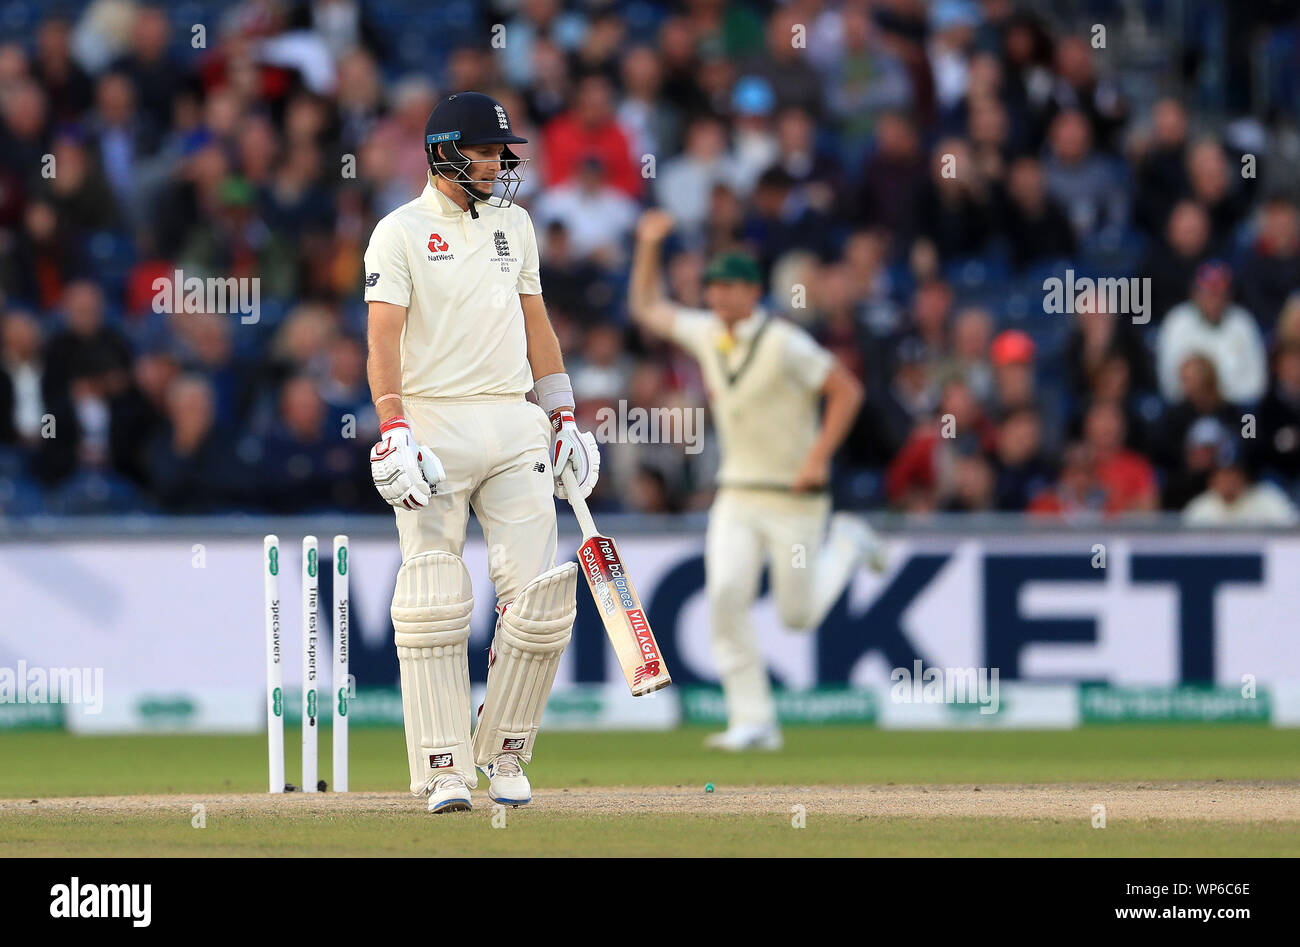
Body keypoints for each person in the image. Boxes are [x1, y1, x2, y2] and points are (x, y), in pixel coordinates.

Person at [362, 91, 600, 813]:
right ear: (445, 153)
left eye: (504, 151)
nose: (502, 162)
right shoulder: (398, 232)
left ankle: (505, 753)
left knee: (538, 604)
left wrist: (562, 414)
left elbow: (538, 322)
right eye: (490, 150)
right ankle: (442, 767)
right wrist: (393, 427)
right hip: (433, 424)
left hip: (513, 418)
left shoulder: (516, 225)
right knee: (433, 596)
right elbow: (381, 339)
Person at [629, 208, 886, 752]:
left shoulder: (784, 342)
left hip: (796, 499)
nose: (717, 298)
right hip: (738, 495)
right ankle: (754, 720)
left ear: (752, 292)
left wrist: (818, 455)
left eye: (727, 289)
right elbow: (645, 306)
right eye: (712, 289)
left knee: (797, 616)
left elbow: (847, 390)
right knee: (724, 597)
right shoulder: (706, 333)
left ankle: (847, 542)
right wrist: (649, 245)